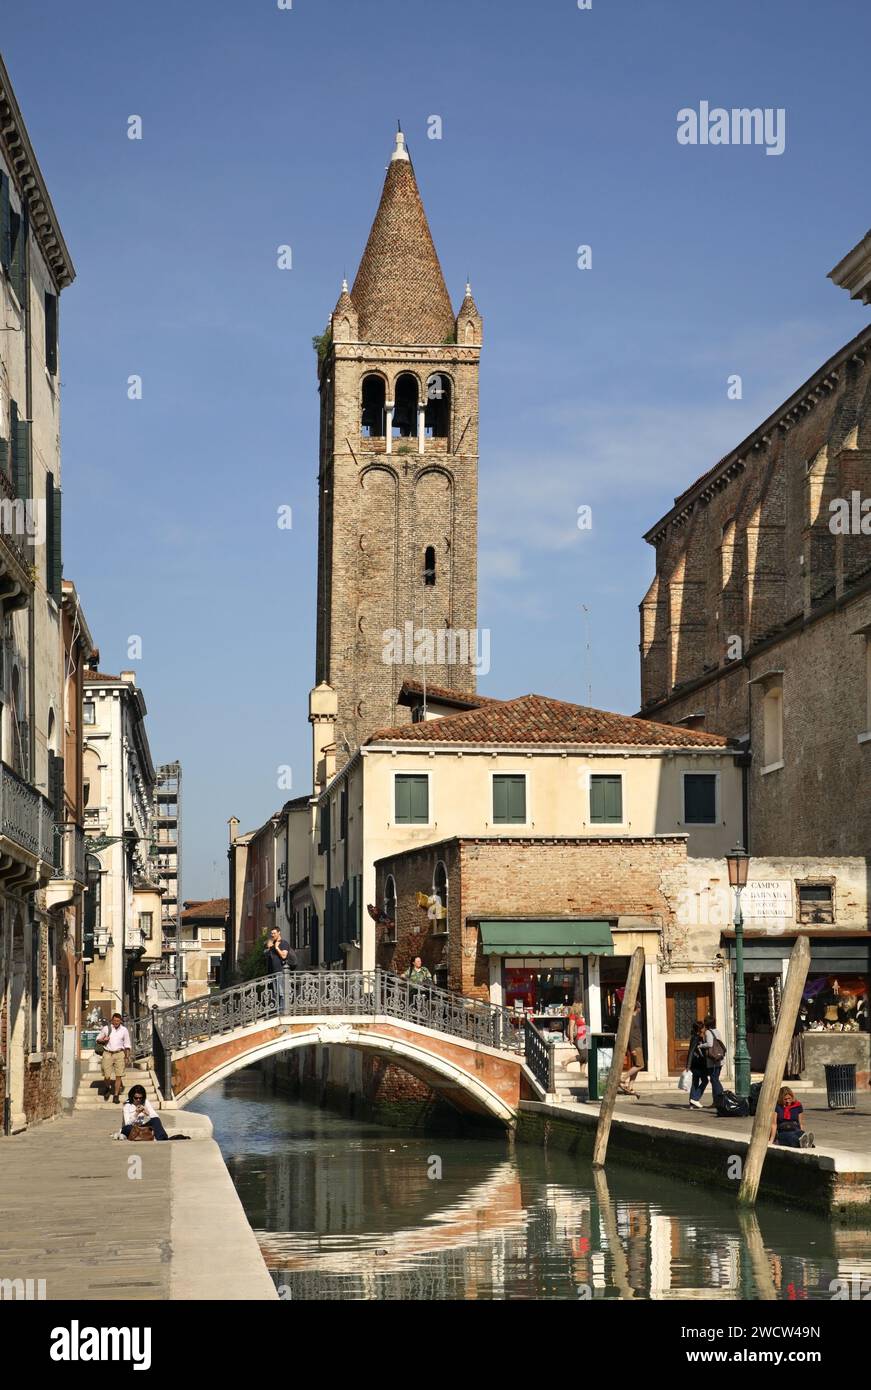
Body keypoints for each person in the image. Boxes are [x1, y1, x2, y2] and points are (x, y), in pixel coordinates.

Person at [97, 1012, 131, 1104]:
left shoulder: (124, 1030)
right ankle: (107, 1088)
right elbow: (98, 1039)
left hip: (119, 1053)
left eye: (118, 1021)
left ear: (120, 1021)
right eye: (115, 1020)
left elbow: (127, 1044)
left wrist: (127, 1057)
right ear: (112, 1020)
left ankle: (116, 1095)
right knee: (107, 1075)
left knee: (118, 1076)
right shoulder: (106, 1028)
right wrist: (103, 1040)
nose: (116, 1022)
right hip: (107, 1053)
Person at [265, 927, 295, 1011]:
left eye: (274, 933)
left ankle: (284, 1012)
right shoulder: (273, 945)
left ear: (279, 933)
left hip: (281, 972)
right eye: (272, 933)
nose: (273, 935)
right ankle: (279, 1011)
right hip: (274, 973)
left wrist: (277, 948)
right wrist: (269, 948)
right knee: (276, 993)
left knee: (283, 993)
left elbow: (284, 956)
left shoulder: (283, 943)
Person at [619, 999, 644, 1096]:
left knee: (637, 1065)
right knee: (640, 1065)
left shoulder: (636, 1017)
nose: (640, 1009)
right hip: (635, 1045)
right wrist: (632, 1048)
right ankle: (623, 1078)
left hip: (639, 1044)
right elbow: (629, 1034)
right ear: (637, 1008)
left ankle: (630, 1086)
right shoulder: (631, 1019)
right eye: (640, 1007)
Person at [700, 1013, 726, 1107]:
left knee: (714, 1080)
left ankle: (721, 1098)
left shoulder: (708, 1032)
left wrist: (701, 1045)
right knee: (715, 1079)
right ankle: (716, 1101)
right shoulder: (717, 1031)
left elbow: (710, 1044)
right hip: (719, 1059)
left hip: (713, 1061)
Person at [687, 1019, 709, 1109]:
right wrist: (688, 1065)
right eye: (703, 1027)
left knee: (695, 1082)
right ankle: (695, 1098)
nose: (705, 1029)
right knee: (705, 1080)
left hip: (696, 1063)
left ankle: (692, 1103)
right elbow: (691, 1051)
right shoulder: (697, 1038)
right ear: (700, 1029)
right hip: (698, 1064)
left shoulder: (697, 1037)